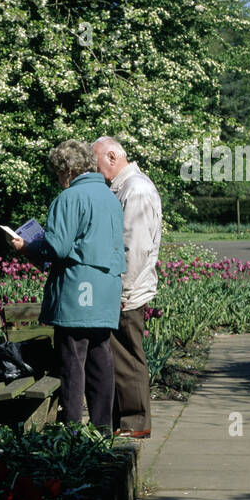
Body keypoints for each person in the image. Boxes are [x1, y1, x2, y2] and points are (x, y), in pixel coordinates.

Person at [9, 140, 124, 433]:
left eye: (59, 173)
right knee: (101, 360)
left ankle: (70, 431)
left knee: (72, 363)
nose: (59, 179)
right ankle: (103, 430)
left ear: (69, 170)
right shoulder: (110, 196)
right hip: (107, 288)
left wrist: (27, 247)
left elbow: (57, 248)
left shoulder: (69, 198)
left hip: (77, 291)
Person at [92, 135, 162, 438]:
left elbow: (135, 247)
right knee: (121, 356)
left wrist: (122, 290)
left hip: (127, 291)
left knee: (128, 356)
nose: (94, 170)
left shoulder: (136, 189)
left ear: (111, 156)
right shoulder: (127, 187)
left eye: (95, 162)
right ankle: (128, 421)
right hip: (125, 288)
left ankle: (135, 423)